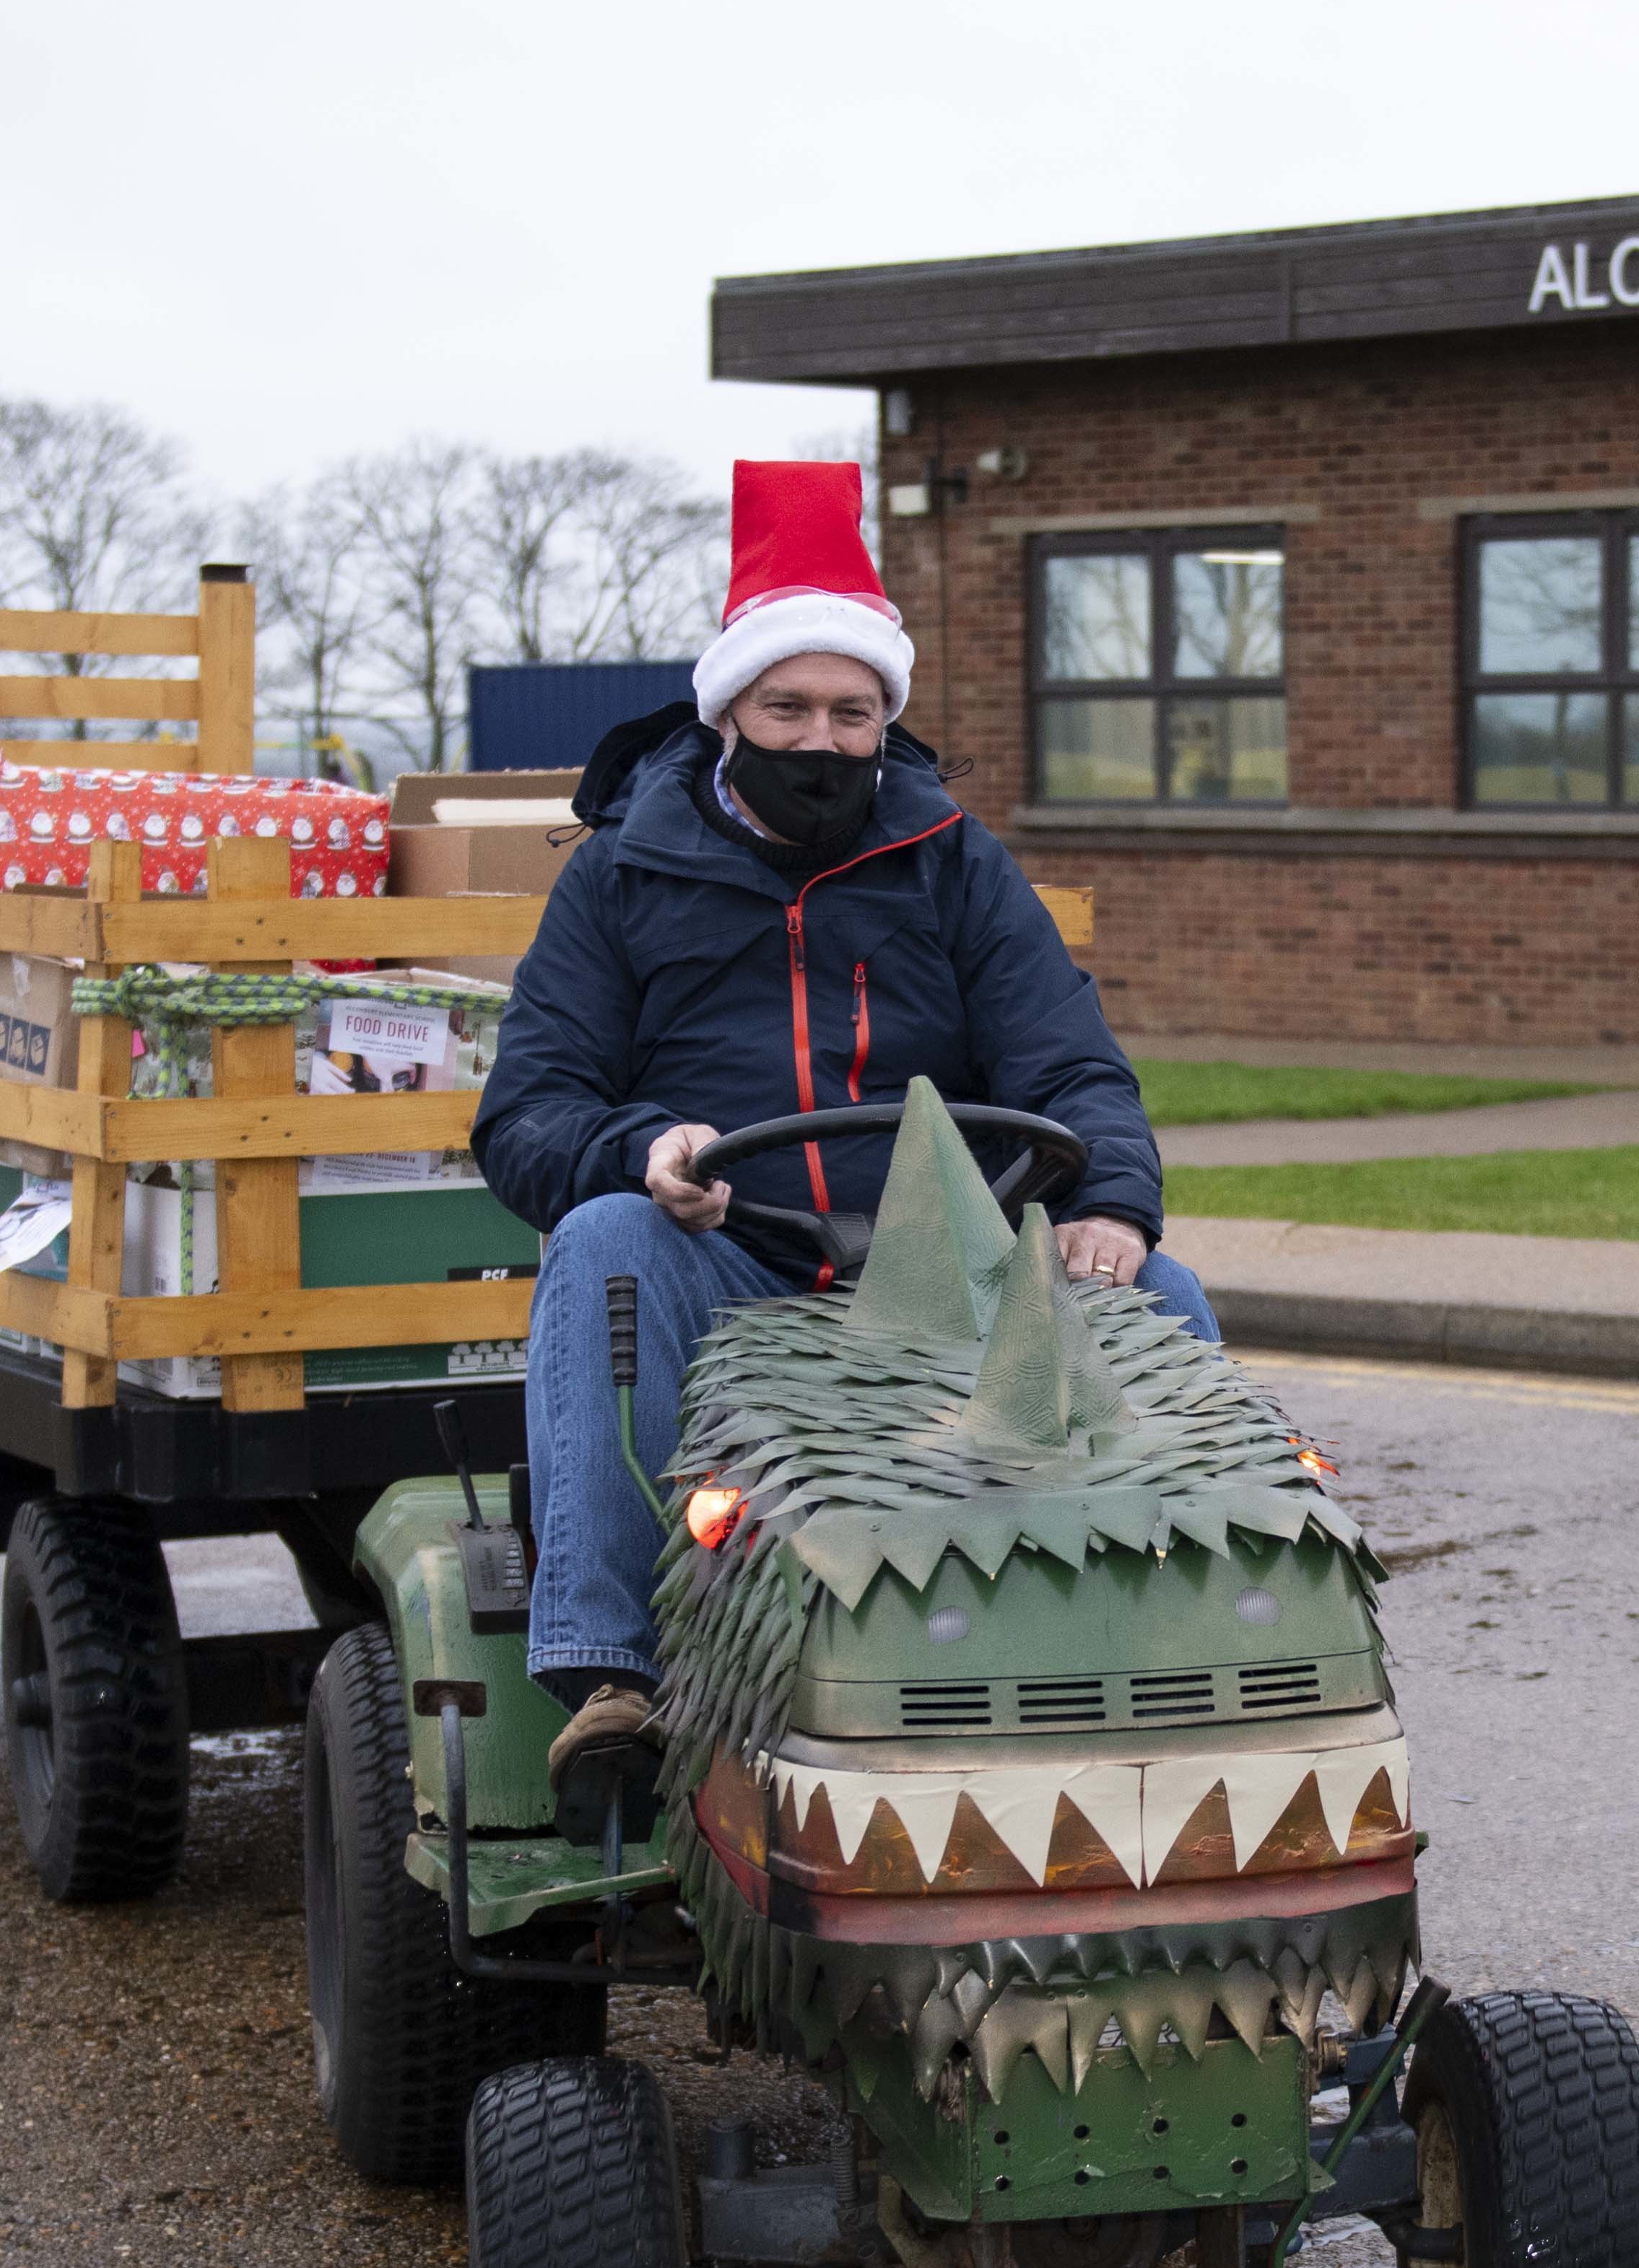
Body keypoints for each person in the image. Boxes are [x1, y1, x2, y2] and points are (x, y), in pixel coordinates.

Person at [476, 461, 1188, 1814]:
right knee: (603, 1241)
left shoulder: (957, 862)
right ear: (728, 712)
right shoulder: (619, 875)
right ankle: (615, 1673)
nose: (819, 739)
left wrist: (1109, 1204)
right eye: (786, 707)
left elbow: (1070, 1061)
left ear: (884, 720)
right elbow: (528, 1113)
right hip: (726, 1253)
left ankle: (1173, 1632)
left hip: (941, 1257)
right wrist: (645, 1150)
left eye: (850, 712)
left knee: (1162, 1295)